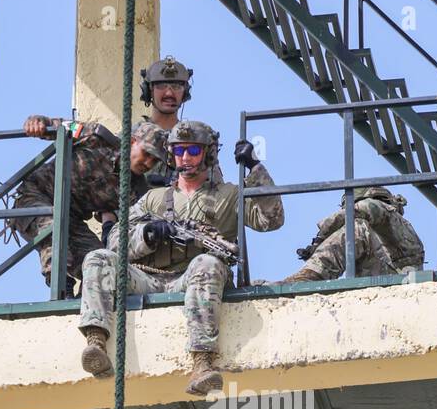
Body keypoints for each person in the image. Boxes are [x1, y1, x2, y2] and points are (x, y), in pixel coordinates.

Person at [78, 120, 284, 395]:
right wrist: (148, 235)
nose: (185, 158)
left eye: (193, 151)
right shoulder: (154, 199)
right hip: (147, 278)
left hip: (193, 280)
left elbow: (271, 219)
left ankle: (202, 361)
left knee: (208, 263)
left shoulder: (229, 196)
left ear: (207, 154)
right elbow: (116, 240)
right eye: (178, 151)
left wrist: (255, 169)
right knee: (98, 258)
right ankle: (96, 340)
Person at [11, 116, 168, 286]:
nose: (148, 163)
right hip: (34, 195)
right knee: (52, 229)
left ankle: (86, 299)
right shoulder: (96, 136)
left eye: (155, 160)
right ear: (131, 142)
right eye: (146, 154)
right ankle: (59, 283)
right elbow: (57, 127)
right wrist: (38, 123)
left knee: (100, 261)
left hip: (71, 219)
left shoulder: (136, 191)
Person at [281, 186, 424, 283]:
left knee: (356, 228)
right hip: (383, 284)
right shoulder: (378, 234)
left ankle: (310, 276)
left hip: (396, 282)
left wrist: (321, 239)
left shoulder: (386, 214)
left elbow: (363, 208)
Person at [139, 54, 224, 186]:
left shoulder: (197, 137)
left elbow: (214, 187)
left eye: (176, 86)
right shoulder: (132, 138)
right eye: (161, 86)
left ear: (185, 92)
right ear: (148, 90)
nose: (169, 93)